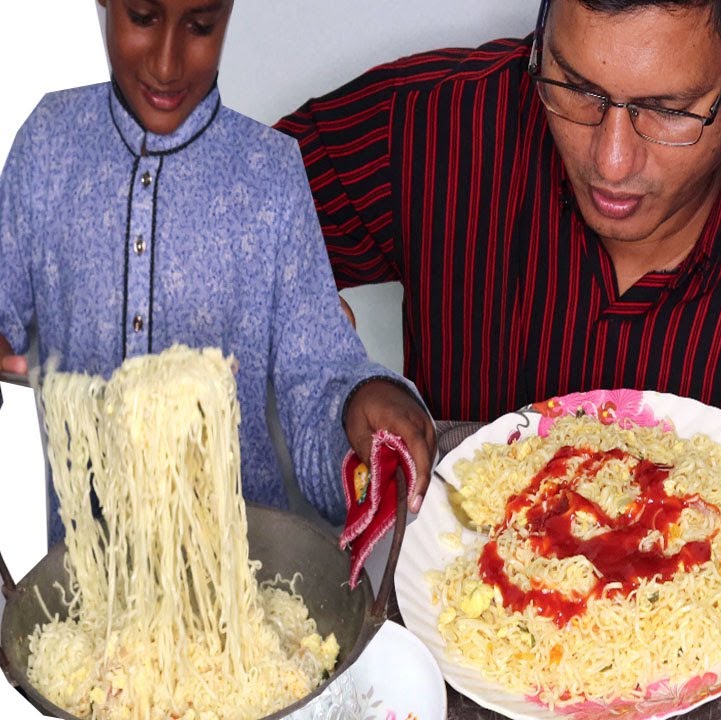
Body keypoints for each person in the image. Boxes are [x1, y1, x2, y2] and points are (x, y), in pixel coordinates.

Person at [275, 0, 721, 441]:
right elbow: (201, 214)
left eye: (667, 111)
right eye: (576, 88)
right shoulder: (432, 127)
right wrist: (331, 368)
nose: (611, 163)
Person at [0, 0, 438, 541]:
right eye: (141, 17)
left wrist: (360, 401)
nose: (166, 64)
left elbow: (320, 375)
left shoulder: (269, 174)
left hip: (242, 568)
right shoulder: (49, 143)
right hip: (87, 575)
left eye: (200, 27)